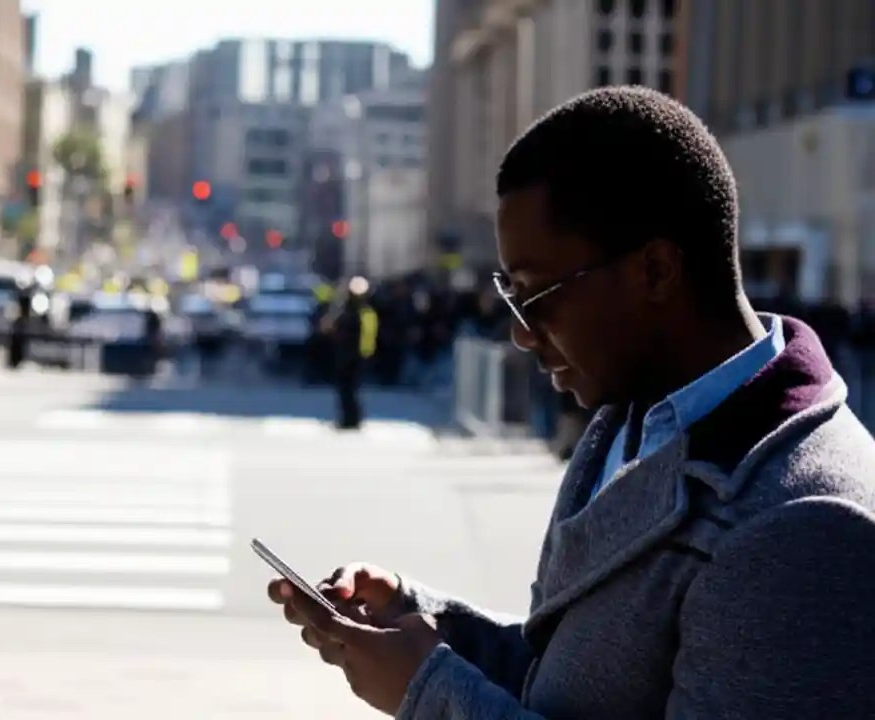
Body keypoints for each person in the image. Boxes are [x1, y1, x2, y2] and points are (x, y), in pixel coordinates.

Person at [268, 87, 875, 718]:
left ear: (656, 271)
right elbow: (571, 679)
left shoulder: (804, 524)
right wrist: (425, 625)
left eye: (538, 293)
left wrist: (428, 691)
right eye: (511, 296)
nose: (522, 332)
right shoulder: (636, 417)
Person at [323, 277, 378, 430]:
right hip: (355, 355)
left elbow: (341, 331)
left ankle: (350, 420)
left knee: (347, 389)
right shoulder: (365, 312)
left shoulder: (354, 312)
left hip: (350, 355)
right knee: (349, 389)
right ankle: (350, 419)